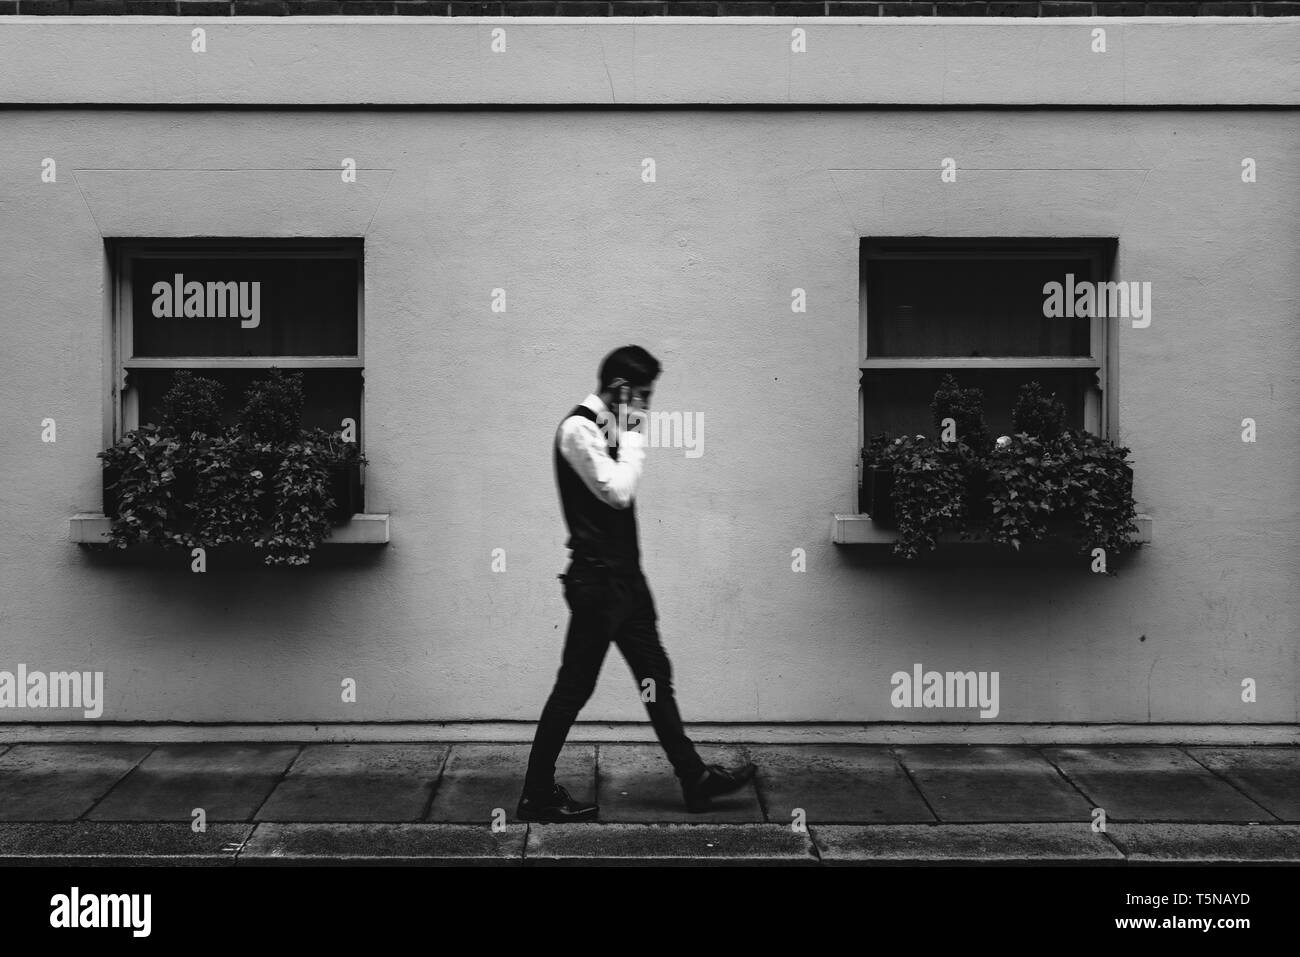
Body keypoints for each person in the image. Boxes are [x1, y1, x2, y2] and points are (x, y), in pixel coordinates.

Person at [517, 345, 756, 822]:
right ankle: (536, 794)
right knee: (574, 689)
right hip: (597, 586)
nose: (647, 407)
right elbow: (617, 491)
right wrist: (632, 433)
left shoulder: (610, 429)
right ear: (622, 389)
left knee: (654, 677)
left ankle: (694, 777)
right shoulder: (578, 429)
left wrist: (626, 429)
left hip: (627, 584)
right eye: (642, 396)